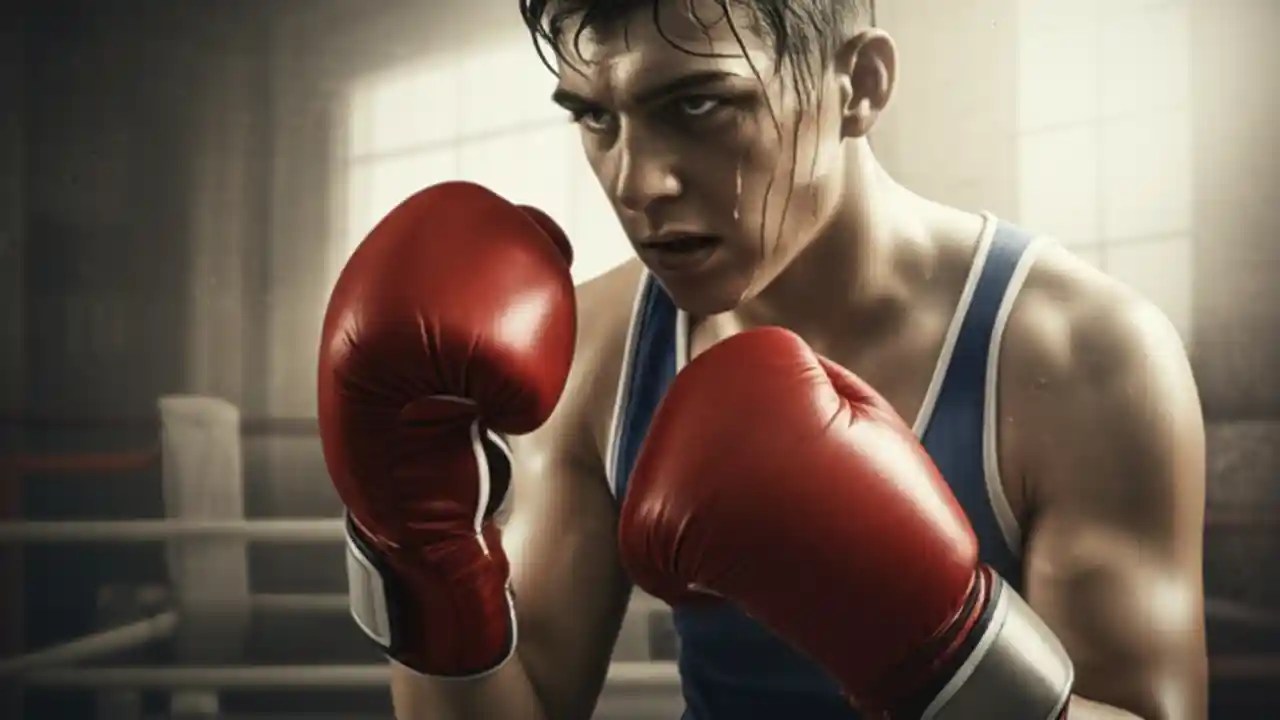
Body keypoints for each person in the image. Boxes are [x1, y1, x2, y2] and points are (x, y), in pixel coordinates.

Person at [316, 1, 1209, 718]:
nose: (637, 183)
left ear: (857, 85)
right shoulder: (599, 353)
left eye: (698, 105)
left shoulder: (1083, 355)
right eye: (596, 118)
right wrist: (418, 554)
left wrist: (951, 652)